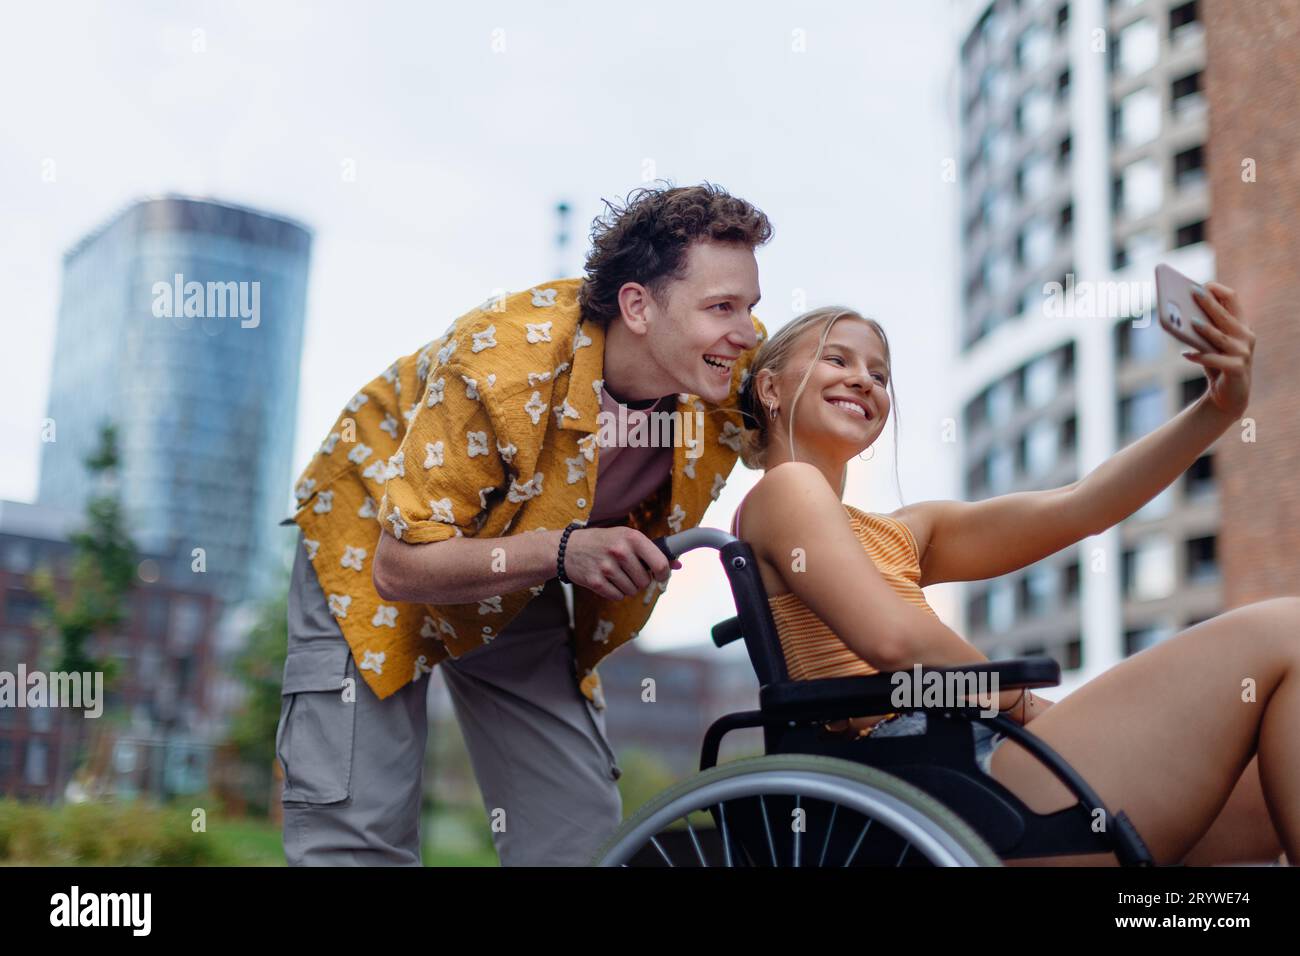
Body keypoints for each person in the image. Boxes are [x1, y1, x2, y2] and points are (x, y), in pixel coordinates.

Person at [276, 181, 771, 865]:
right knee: (358, 826)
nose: (746, 331)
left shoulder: (730, 364)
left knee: (578, 826)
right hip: (375, 538)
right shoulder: (500, 364)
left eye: (749, 306)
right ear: (638, 306)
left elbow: (812, 420)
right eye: (722, 307)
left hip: (528, 556)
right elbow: (398, 567)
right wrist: (564, 551)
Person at [729, 291, 1298, 866]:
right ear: (771, 389)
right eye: (837, 359)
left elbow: (1085, 506)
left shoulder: (905, 532)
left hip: (969, 756)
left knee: (1267, 784)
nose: (864, 380)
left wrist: (1218, 409)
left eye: (878, 373)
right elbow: (892, 640)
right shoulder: (787, 487)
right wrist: (1023, 705)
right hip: (928, 775)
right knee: (1287, 631)